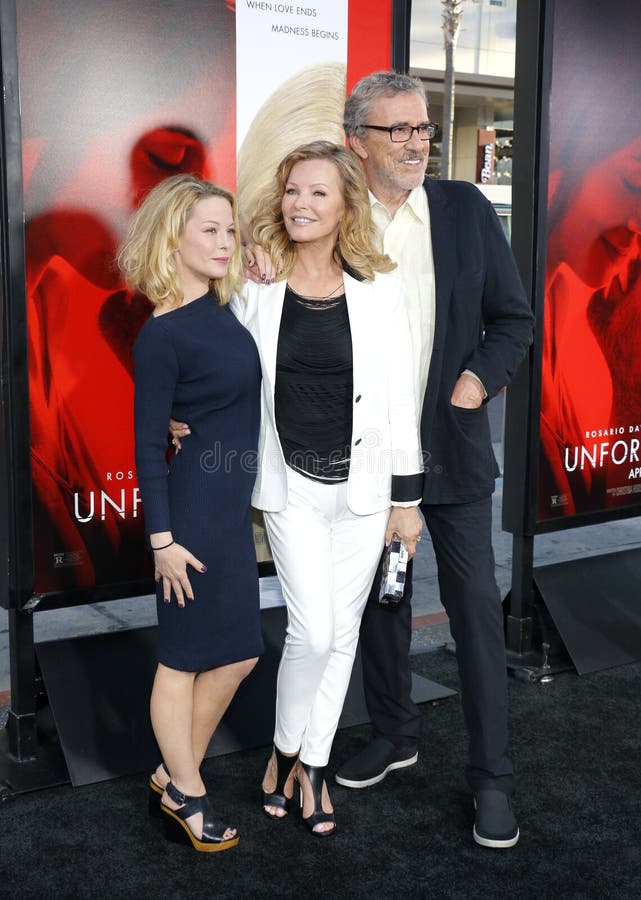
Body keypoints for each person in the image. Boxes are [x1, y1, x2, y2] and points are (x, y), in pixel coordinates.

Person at [243, 73, 534, 847]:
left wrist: (477, 379)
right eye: (397, 130)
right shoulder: (330, 221)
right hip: (363, 464)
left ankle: (491, 778)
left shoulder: (466, 210)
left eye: (422, 130)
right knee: (380, 607)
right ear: (356, 141)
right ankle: (394, 733)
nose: (415, 143)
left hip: (454, 450)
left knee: (474, 610)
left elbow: (513, 319)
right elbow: (273, 290)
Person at [173, 140, 424, 835]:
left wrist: (408, 500)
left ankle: (307, 763)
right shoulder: (256, 287)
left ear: (346, 203)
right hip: (292, 491)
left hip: (367, 492)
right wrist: (170, 407)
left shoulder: (380, 290)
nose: (301, 204)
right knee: (313, 629)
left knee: (339, 634)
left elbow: (401, 397)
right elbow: (199, 342)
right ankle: (286, 751)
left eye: (317, 192)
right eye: (291, 191)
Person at [121, 174, 263, 852]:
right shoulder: (163, 334)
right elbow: (148, 443)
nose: (224, 240)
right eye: (208, 228)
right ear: (172, 236)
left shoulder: (222, 307)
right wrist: (163, 540)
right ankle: (188, 792)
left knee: (237, 655)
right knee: (181, 660)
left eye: (228, 229)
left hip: (229, 508)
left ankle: (173, 775)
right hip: (193, 516)